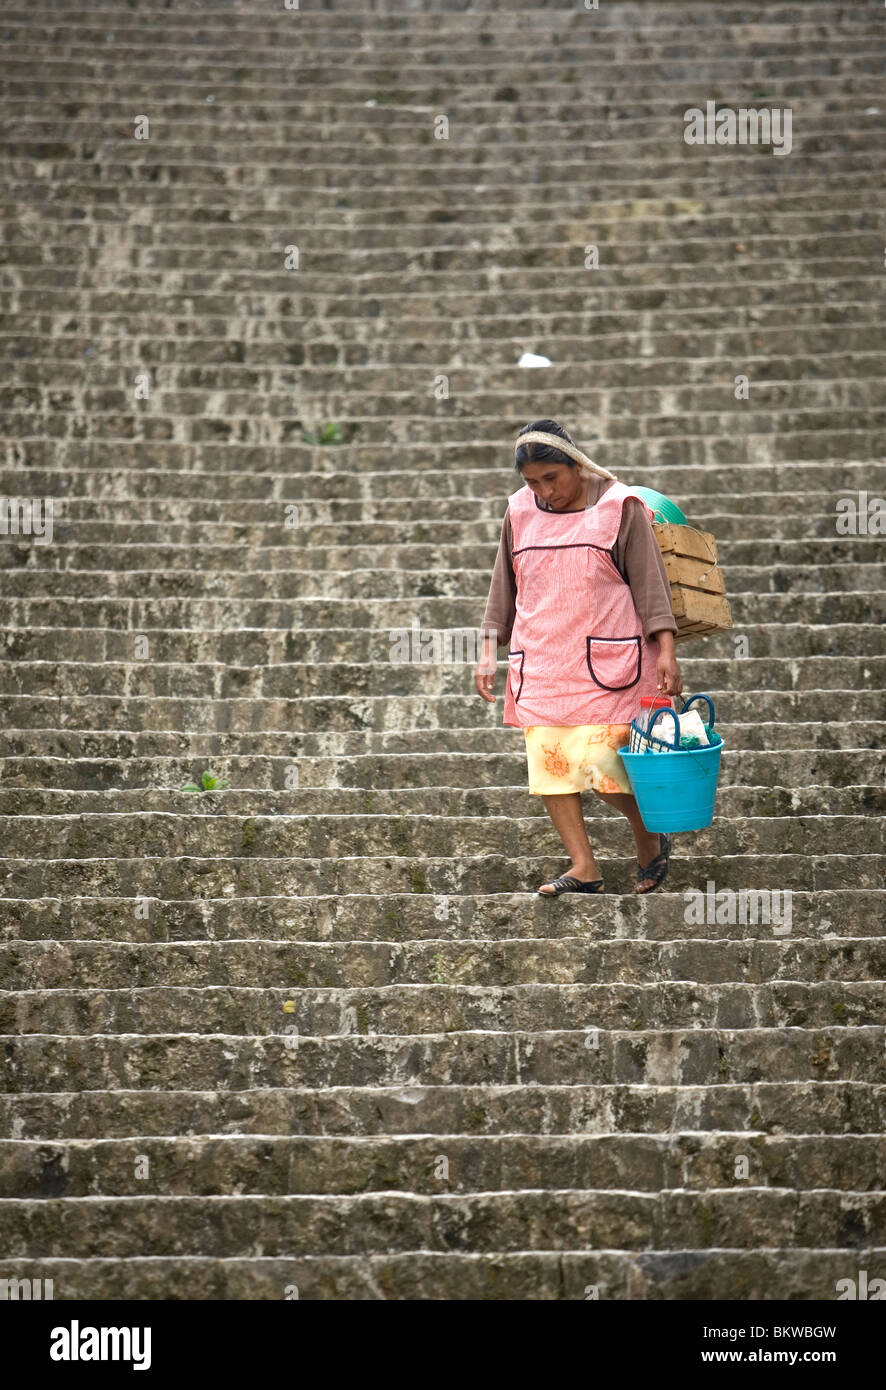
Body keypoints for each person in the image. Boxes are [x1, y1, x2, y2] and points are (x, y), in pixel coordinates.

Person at [474, 419, 684, 895]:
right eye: (533, 483)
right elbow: (503, 586)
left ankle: (649, 839)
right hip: (543, 661)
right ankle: (584, 866)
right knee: (551, 768)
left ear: (577, 464)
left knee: (604, 770)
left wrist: (667, 649)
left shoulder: (619, 506)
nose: (545, 491)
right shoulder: (518, 512)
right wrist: (489, 650)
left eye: (553, 477)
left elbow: (651, 584)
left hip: (611, 664)